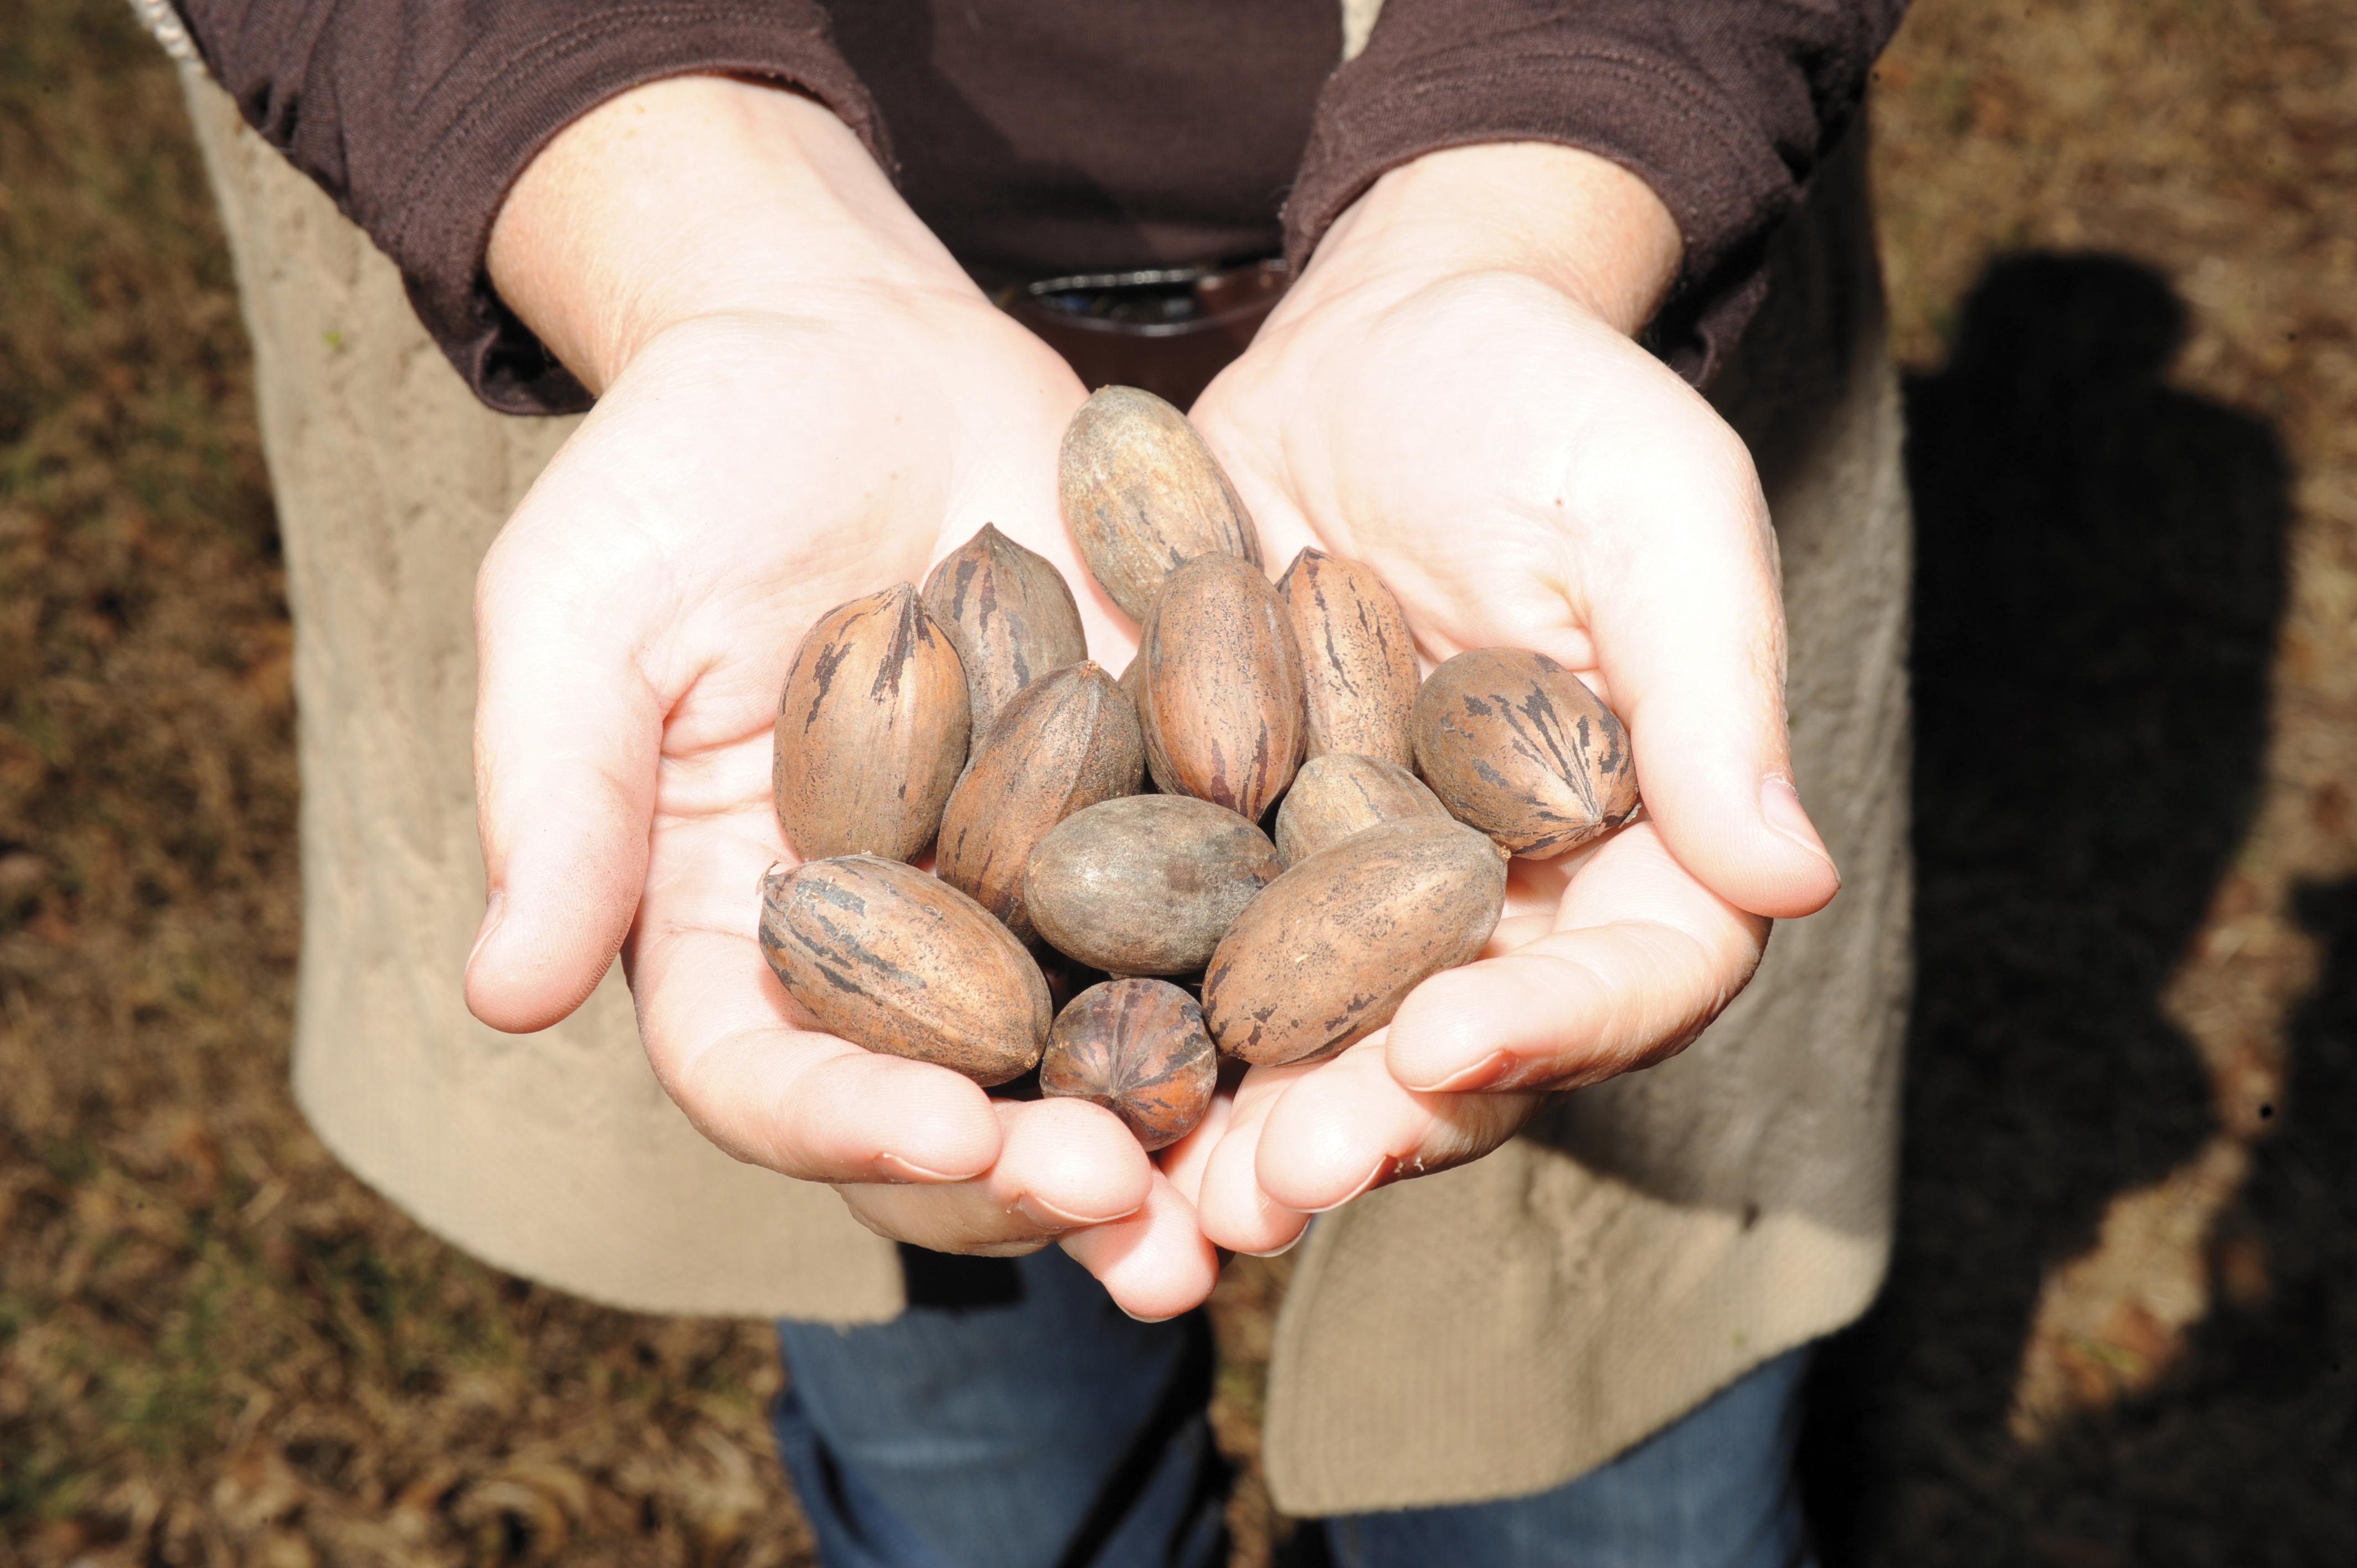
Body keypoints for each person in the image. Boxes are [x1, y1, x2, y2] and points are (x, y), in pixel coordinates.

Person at [149, 2, 1915, 1561]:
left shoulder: (1287, 707)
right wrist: (678, 217)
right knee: (975, 1447)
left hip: (1537, 318)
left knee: (1589, 1456)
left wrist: (1526, 209)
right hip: (657, 337)